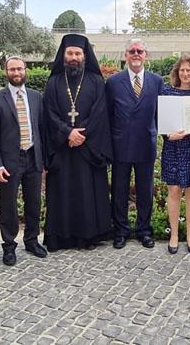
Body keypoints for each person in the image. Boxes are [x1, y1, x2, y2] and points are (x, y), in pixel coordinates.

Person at [42, 34, 113, 251]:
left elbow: (100, 113)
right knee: (62, 192)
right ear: (63, 55)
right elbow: (49, 113)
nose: (74, 57)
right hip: (62, 149)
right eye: (70, 53)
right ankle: (61, 238)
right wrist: (66, 133)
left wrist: (81, 134)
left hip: (88, 148)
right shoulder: (54, 82)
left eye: (78, 53)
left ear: (85, 56)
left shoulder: (95, 81)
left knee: (86, 192)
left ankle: (88, 236)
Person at [0, 56, 49, 265]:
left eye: (19, 69)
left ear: (26, 70)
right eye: (12, 70)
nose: (16, 73)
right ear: (6, 72)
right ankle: (9, 246)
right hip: (9, 161)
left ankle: (31, 240)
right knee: (8, 205)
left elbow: (42, 130)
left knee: (34, 202)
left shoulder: (36, 97)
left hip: (33, 157)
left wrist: (44, 161)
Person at [106, 39, 161, 250]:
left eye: (140, 51)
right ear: (125, 55)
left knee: (145, 191)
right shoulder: (113, 82)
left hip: (146, 144)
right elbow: (108, 115)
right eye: (132, 51)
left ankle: (144, 230)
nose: (136, 54)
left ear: (146, 55)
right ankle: (120, 230)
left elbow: (161, 114)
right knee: (119, 190)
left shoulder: (156, 81)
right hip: (120, 145)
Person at [160, 55, 190, 255]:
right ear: (177, 73)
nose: (185, 73)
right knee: (173, 191)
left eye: (189, 70)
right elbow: (161, 120)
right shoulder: (167, 92)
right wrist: (167, 135)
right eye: (182, 70)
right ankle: (174, 234)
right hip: (174, 147)